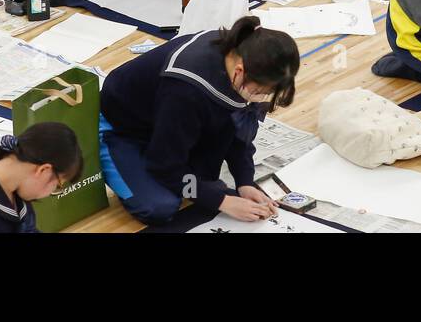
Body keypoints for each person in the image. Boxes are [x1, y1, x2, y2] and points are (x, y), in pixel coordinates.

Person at [97, 17, 299, 225]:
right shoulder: (186, 90)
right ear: (239, 72)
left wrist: (244, 182)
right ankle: (105, 150)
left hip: (165, 121)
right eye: (260, 92)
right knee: (160, 205)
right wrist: (223, 202)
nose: (260, 98)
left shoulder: (245, 59)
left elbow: (239, 129)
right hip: (121, 128)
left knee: (205, 180)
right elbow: (164, 165)